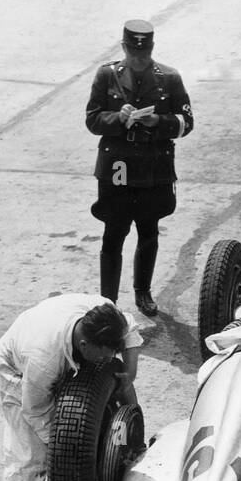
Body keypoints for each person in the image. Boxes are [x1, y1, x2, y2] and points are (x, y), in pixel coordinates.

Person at [0, 294, 143, 481]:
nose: (109, 360)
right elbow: (35, 411)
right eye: (104, 354)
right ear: (85, 344)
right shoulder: (42, 361)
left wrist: (130, 373)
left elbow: (130, 329)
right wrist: (70, 450)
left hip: (51, 332)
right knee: (30, 458)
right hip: (18, 371)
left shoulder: (103, 316)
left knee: (92, 429)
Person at [86, 19, 194, 317]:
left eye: (144, 56)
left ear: (151, 50)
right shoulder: (107, 75)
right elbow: (93, 119)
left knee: (148, 231)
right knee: (114, 232)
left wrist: (159, 122)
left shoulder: (169, 78)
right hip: (117, 168)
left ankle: (142, 292)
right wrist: (118, 118)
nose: (139, 61)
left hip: (152, 167)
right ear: (123, 49)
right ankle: (107, 301)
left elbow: (187, 123)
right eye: (134, 56)